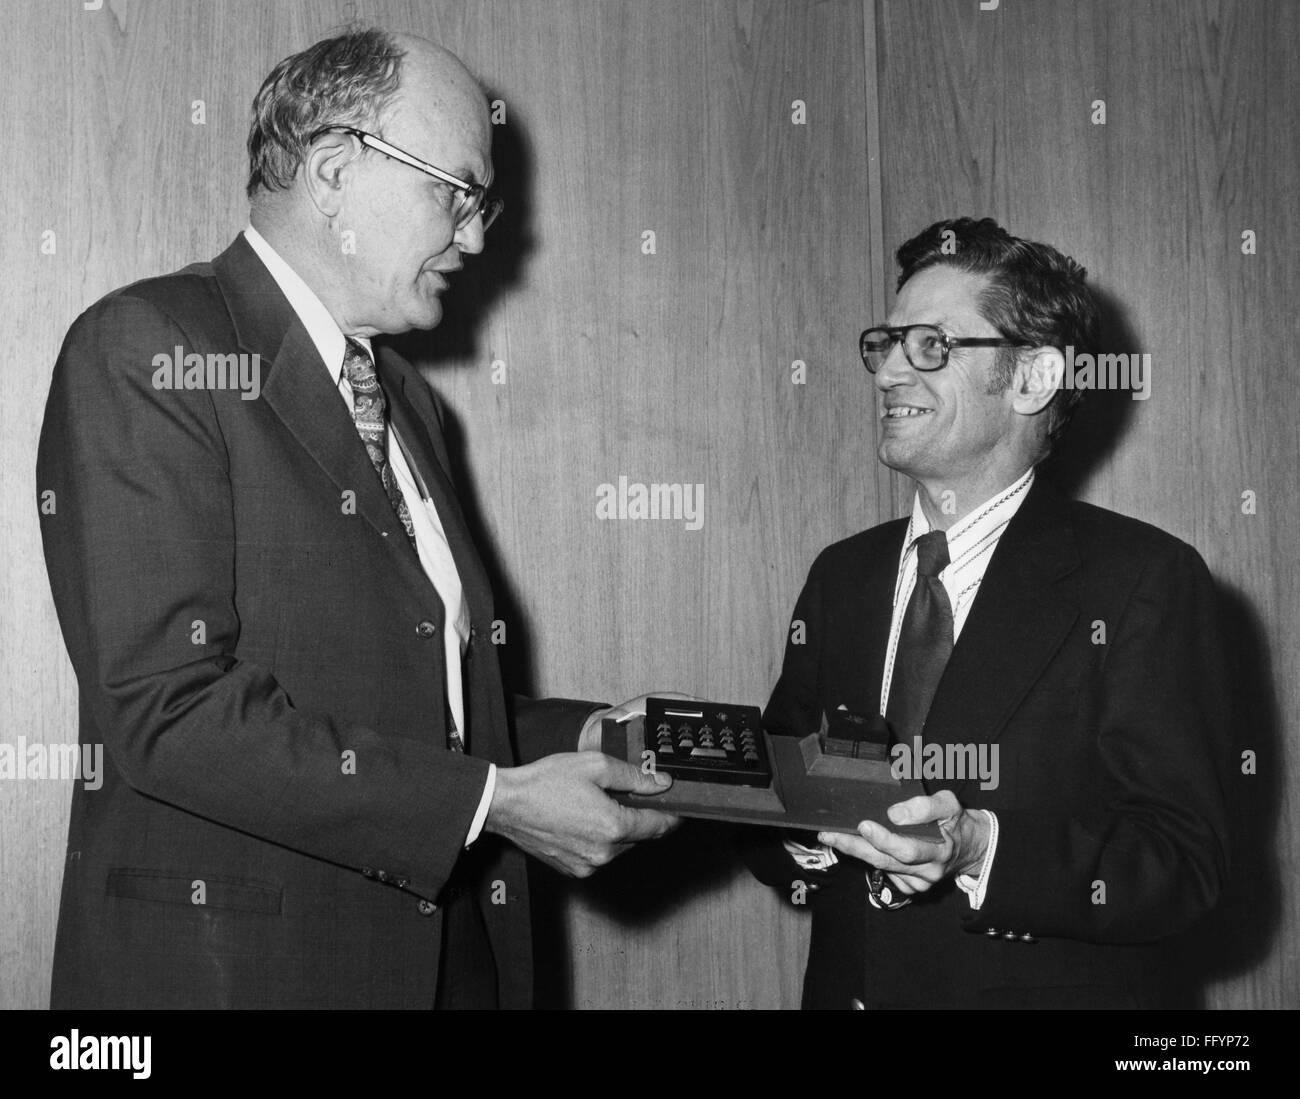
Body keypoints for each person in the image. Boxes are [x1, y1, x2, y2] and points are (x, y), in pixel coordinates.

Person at [36, 27, 676, 1010]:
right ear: (335, 168)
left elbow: (420, 709)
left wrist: (584, 734)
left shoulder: (408, 400)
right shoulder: (150, 347)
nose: (474, 236)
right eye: (455, 192)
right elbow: (170, 713)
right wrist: (494, 802)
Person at [742, 217, 1230, 1009]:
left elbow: (1183, 864)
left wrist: (978, 849)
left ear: (1033, 378)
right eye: (885, 343)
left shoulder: (1143, 580)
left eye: (931, 345)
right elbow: (777, 808)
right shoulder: (843, 577)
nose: (889, 371)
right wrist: (799, 824)